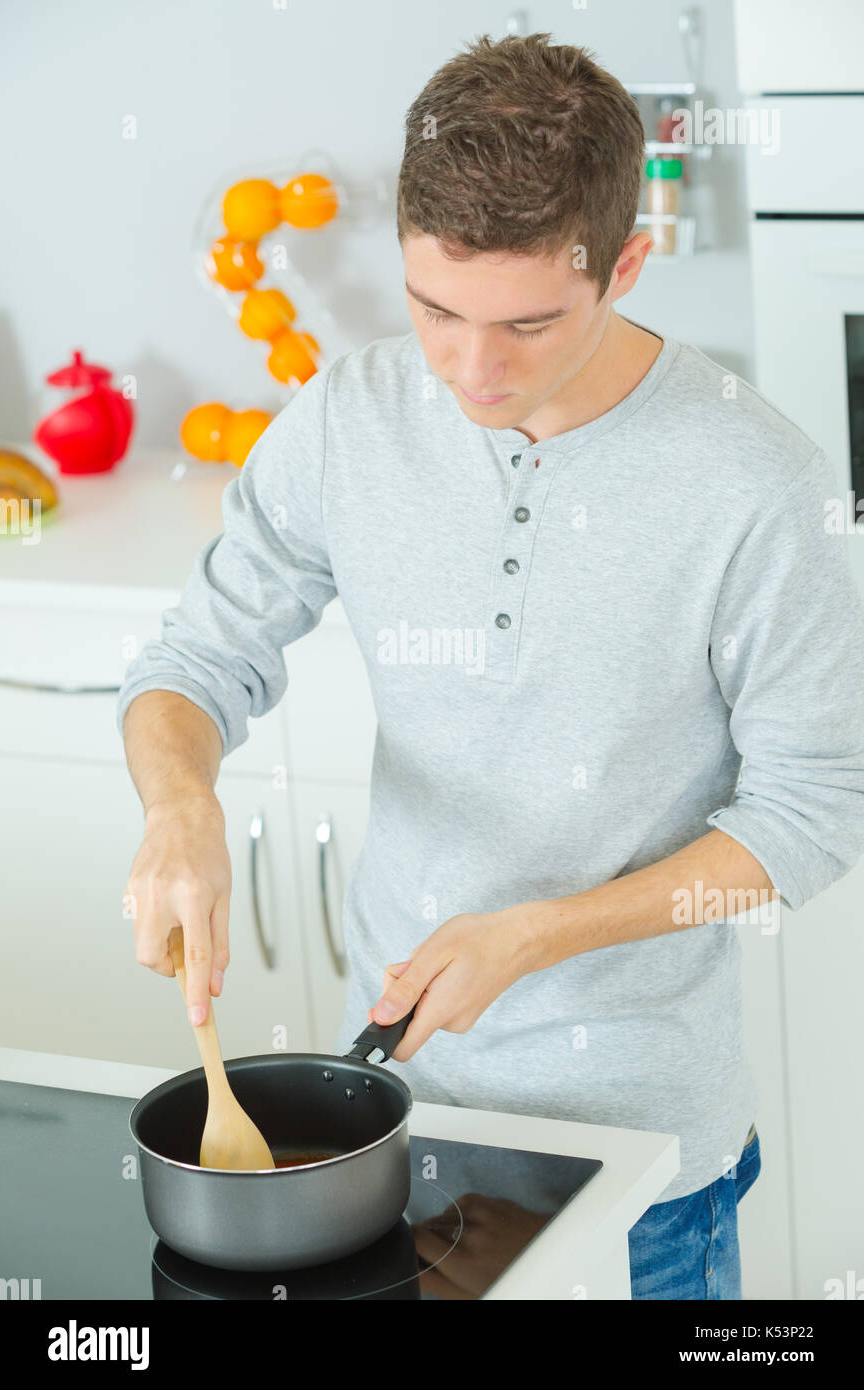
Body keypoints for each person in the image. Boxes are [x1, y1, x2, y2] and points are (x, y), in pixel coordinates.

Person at [117, 33, 864, 1299]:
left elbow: (815, 809)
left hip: (637, 1159)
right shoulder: (348, 418)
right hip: (403, 1128)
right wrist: (181, 803)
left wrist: (540, 936)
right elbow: (196, 657)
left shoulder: (754, 482)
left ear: (622, 266)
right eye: (433, 309)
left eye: (524, 322)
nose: (467, 369)